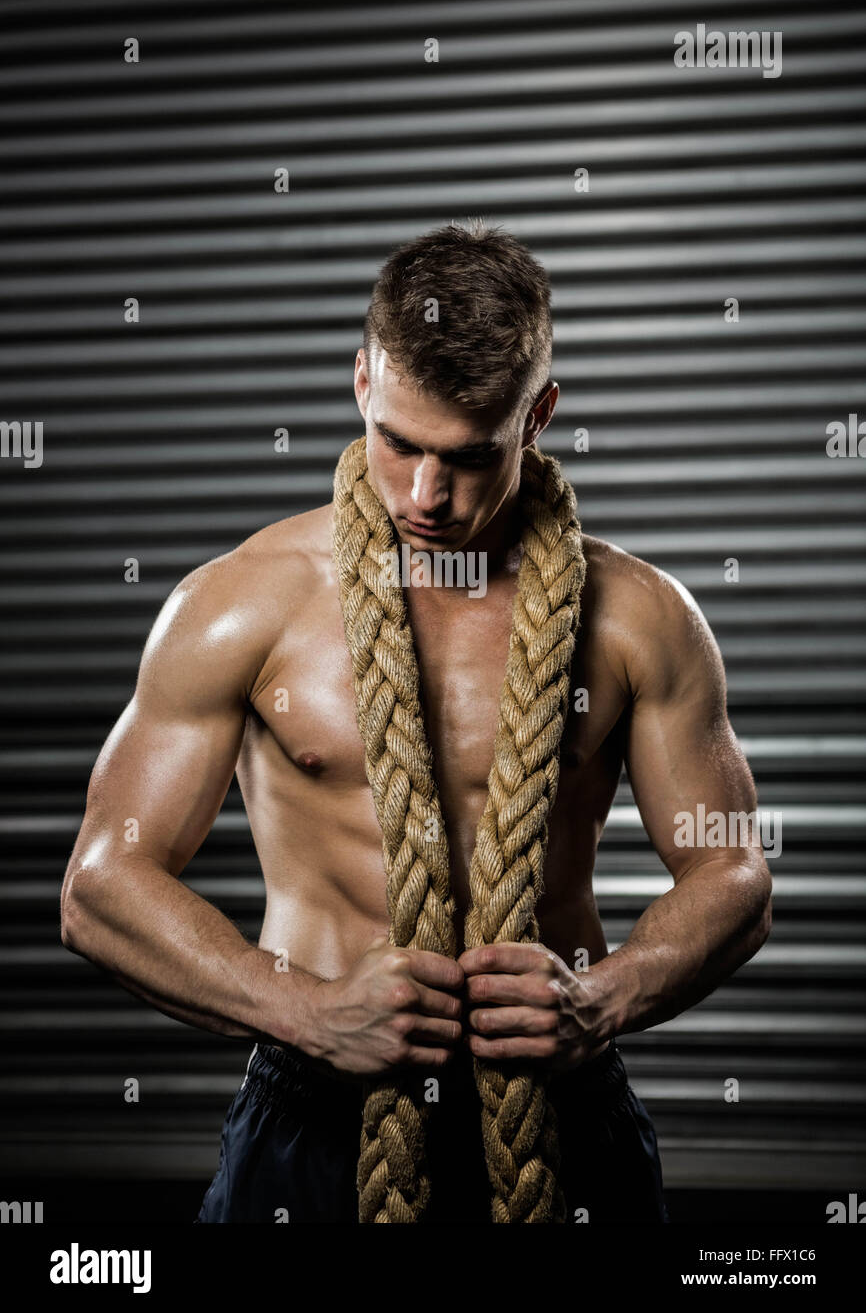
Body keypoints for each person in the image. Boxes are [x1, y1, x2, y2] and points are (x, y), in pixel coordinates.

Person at [60, 221, 772, 1224]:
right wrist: (307, 1011)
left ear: (540, 417)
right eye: (398, 444)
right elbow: (99, 886)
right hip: (315, 1110)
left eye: (470, 456)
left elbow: (732, 872)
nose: (426, 495)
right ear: (361, 383)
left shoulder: (636, 617)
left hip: (556, 1105)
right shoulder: (240, 603)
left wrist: (603, 998)